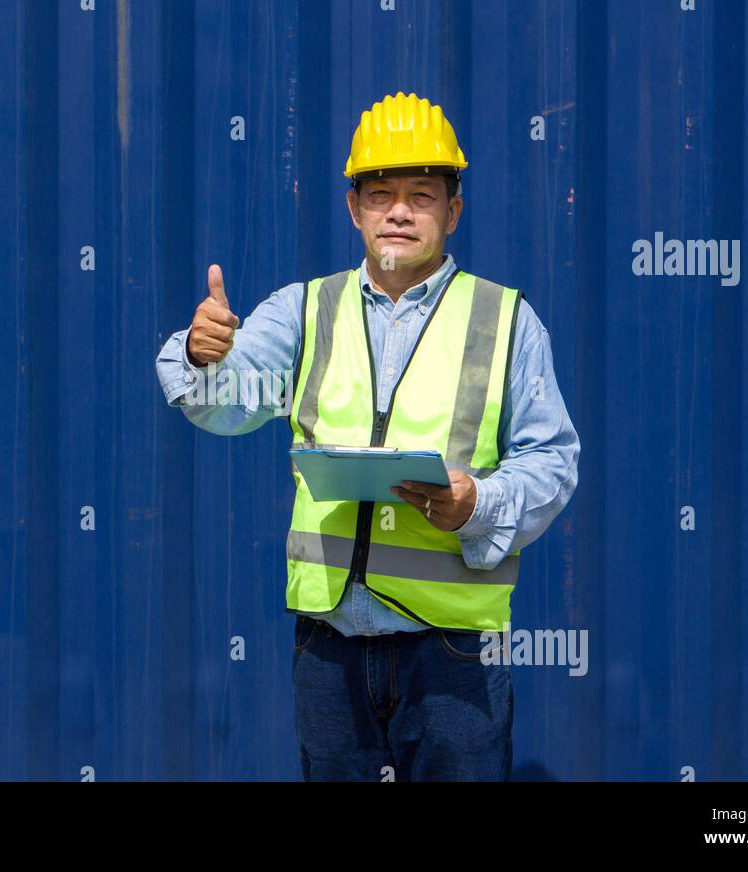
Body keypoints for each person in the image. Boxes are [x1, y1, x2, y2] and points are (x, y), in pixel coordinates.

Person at [155, 92, 580, 781]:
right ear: (354, 209)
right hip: (329, 651)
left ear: (454, 210)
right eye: (381, 194)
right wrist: (204, 356)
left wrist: (478, 504)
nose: (401, 211)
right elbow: (225, 404)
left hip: (455, 658)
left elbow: (554, 463)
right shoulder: (303, 311)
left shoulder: (506, 321)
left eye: (421, 194)